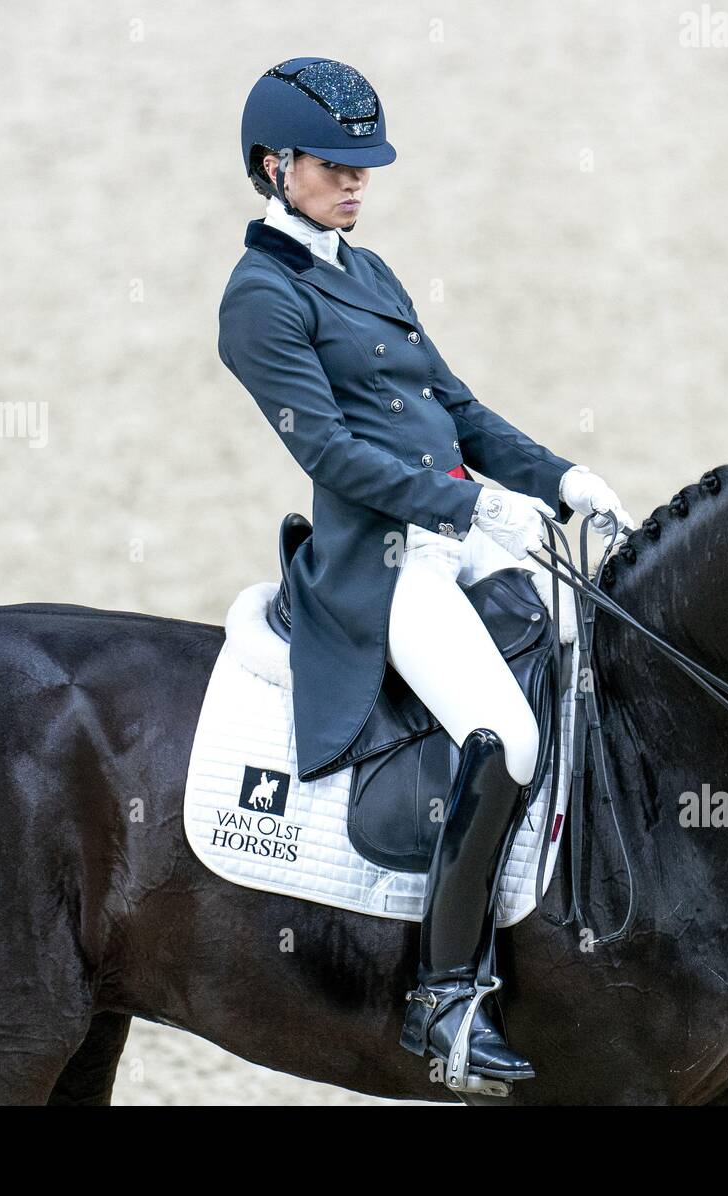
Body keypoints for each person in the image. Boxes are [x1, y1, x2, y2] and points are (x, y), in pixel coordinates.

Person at [218, 57, 633, 1086]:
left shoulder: (367, 269)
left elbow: (458, 408)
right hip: (384, 565)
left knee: (595, 654)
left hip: (462, 539)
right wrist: (467, 500)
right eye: (333, 166)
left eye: (365, 168)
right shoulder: (260, 298)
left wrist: (561, 474)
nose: (356, 184)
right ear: (274, 168)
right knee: (508, 733)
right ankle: (444, 1000)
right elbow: (328, 452)